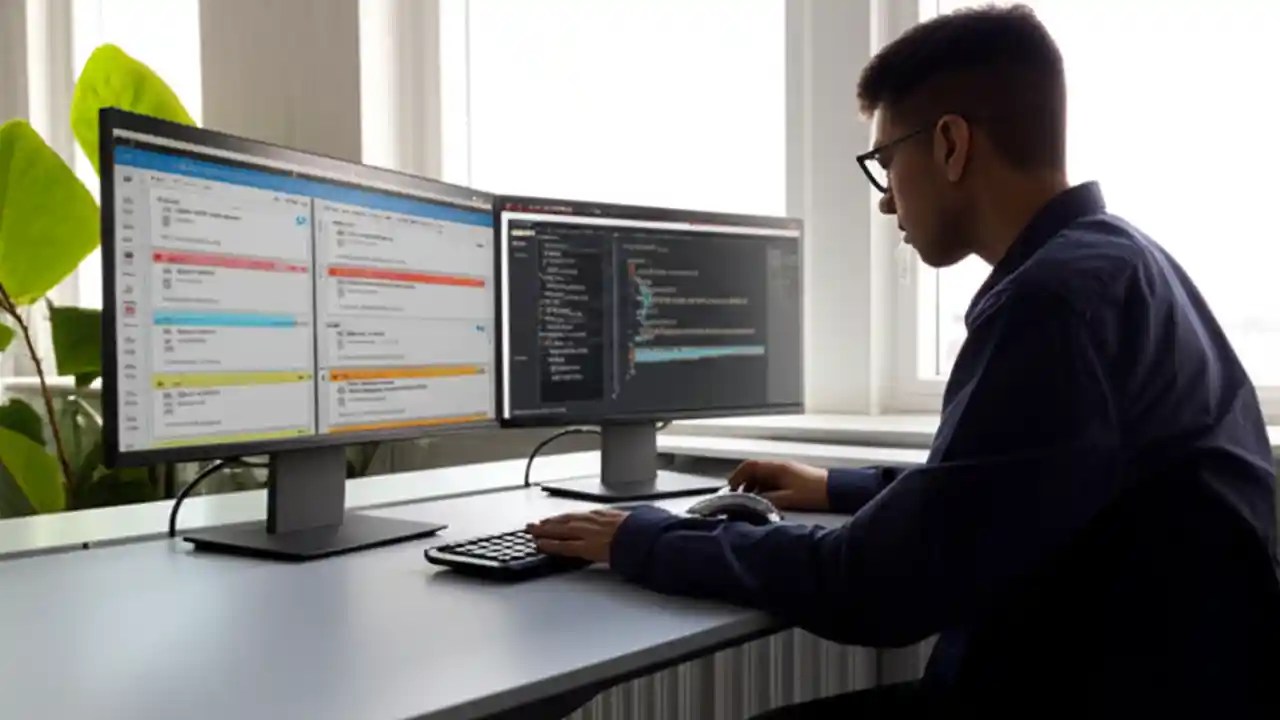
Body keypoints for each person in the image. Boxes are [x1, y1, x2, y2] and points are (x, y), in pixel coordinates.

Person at [528, 5, 1280, 716]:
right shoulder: (1124, 263)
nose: (887, 201)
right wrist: (836, 485)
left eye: (886, 160)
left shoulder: (1052, 300)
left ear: (951, 144)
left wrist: (644, 538)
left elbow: (880, 587)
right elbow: (1014, 482)